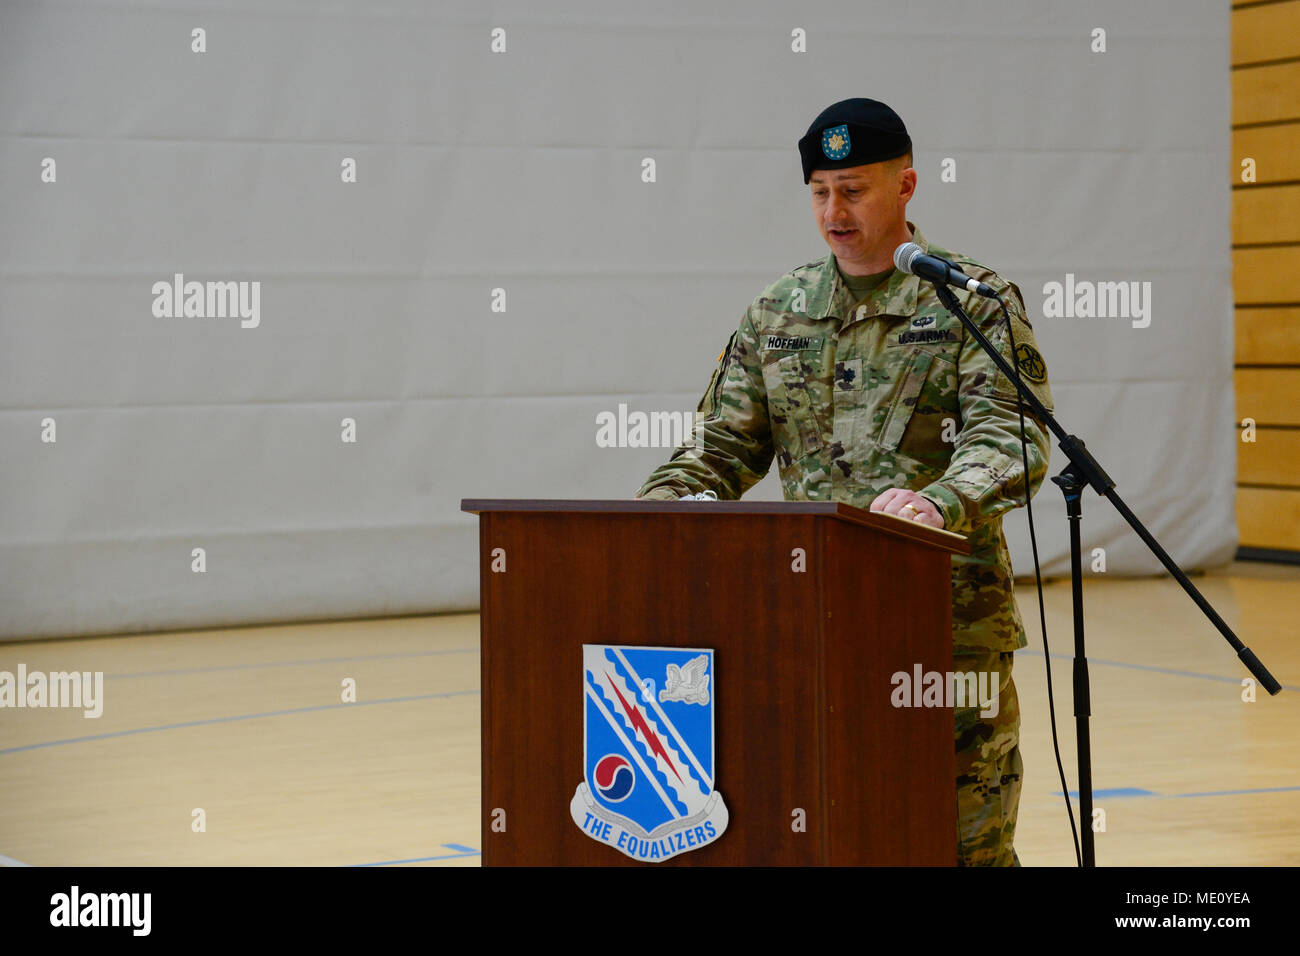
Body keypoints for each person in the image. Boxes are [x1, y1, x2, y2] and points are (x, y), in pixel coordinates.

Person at [634, 97, 1054, 866]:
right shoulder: (778, 313)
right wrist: (664, 510)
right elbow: (722, 447)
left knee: (963, 845)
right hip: (813, 627)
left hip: (946, 632)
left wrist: (938, 500)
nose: (835, 210)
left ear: (907, 186)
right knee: (832, 830)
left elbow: (1014, 436)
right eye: (821, 191)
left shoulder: (969, 301)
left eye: (855, 189)